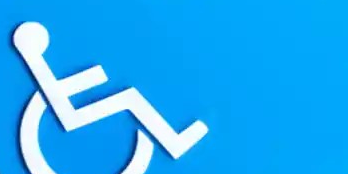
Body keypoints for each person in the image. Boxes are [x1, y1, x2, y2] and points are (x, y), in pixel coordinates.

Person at [12, 22, 207, 159]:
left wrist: (92, 77)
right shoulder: (35, 61)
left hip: (67, 110)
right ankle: (172, 141)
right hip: (69, 114)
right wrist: (92, 77)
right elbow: (63, 98)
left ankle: (172, 141)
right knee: (130, 99)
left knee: (130, 99)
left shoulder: (34, 58)